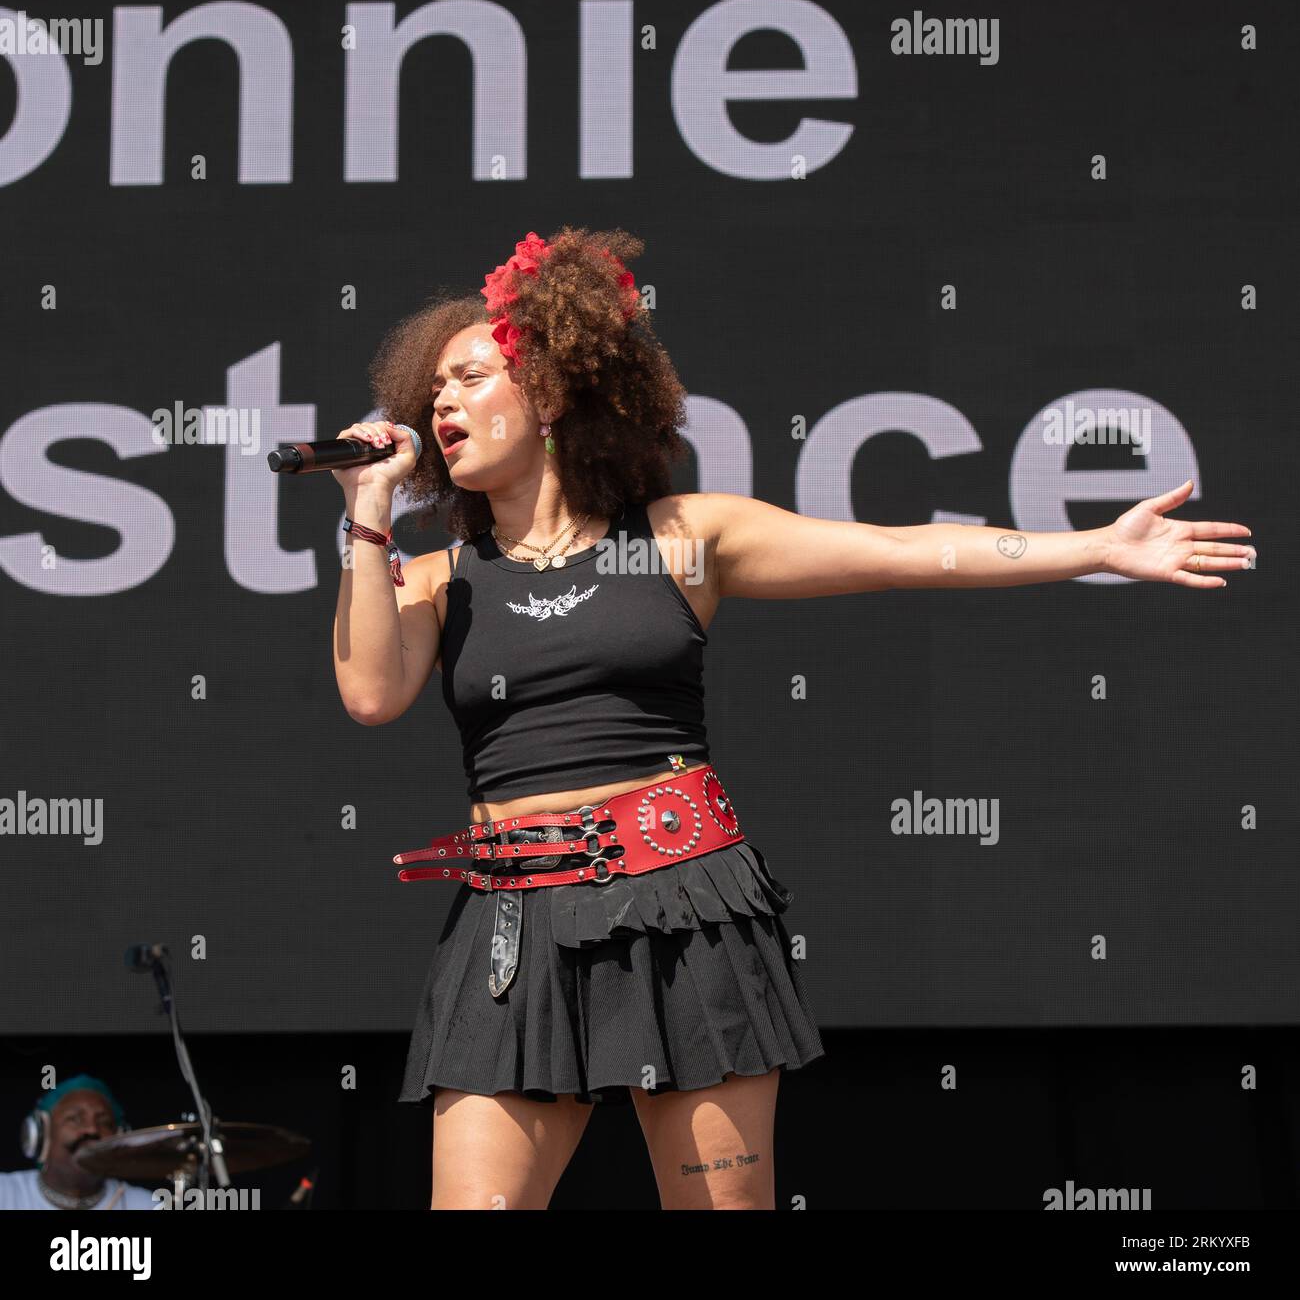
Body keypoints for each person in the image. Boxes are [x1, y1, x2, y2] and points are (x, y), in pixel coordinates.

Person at [331, 226, 1254, 1210]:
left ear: (550, 393)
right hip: (511, 924)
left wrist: (1092, 549)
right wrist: (366, 510)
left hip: (683, 905)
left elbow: (903, 551)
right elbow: (370, 693)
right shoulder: (435, 580)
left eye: (469, 377)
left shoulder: (686, 537)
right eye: (432, 390)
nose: (440, 403)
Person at [1, 1075, 159, 1210]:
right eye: (74, 1119)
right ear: (39, 1136)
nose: (92, 1129)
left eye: (104, 1122)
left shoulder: (148, 1205)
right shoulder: (5, 1192)